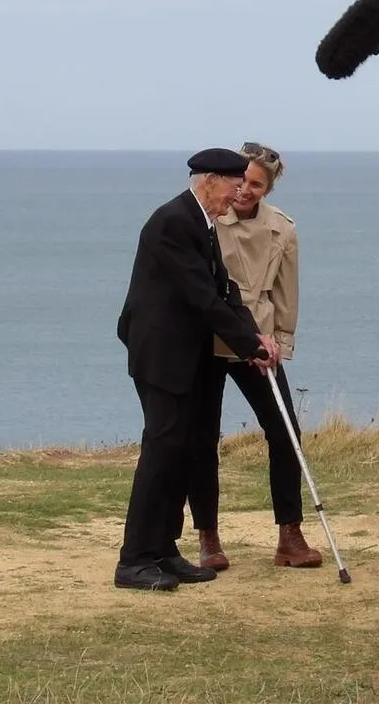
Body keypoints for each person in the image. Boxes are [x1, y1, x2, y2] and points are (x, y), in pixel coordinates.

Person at [114, 148, 270, 592]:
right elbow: (201, 297)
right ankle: (134, 560)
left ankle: (163, 550)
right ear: (209, 180)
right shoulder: (173, 221)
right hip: (161, 356)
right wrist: (249, 347)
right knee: (161, 452)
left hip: (185, 356)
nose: (238, 194)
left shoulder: (202, 222)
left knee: (180, 454)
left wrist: (255, 336)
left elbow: (224, 290)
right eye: (233, 185)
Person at [193, 141, 323, 570]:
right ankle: (208, 537)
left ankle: (290, 534)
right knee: (202, 437)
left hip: (258, 341)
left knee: (285, 433)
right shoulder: (209, 218)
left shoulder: (282, 228)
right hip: (208, 338)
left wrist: (281, 342)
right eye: (242, 181)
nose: (245, 191)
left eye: (257, 185)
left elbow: (287, 291)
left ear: (268, 188)